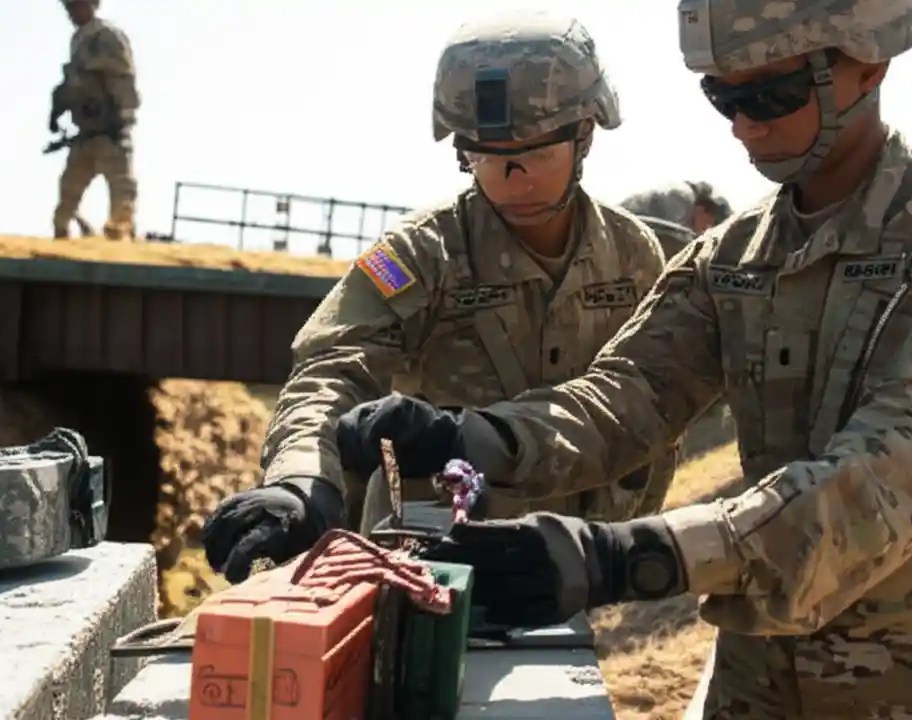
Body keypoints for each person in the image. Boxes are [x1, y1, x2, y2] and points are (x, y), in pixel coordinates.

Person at [335, 1, 912, 717]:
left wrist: (632, 556)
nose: (744, 127)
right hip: (765, 685)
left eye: (774, 93)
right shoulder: (732, 255)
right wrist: (471, 437)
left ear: (869, 62)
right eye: (723, 99)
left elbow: (909, 460)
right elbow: (627, 394)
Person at [201, 11, 674, 584]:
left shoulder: (632, 253)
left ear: (585, 136)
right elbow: (332, 367)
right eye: (488, 159)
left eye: (538, 156)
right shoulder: (420, 254)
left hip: (581, 562)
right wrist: (303, 481)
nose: (514, 181)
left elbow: (653, 394)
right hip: (431, 564)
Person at [49, 0, 139, 240]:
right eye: (68, 8)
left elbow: (124, 72)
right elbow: (74, 83)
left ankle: (119, 240)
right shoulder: (79, 40)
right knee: (68, 192)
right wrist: (58, 107)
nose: (71, 13)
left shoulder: (106, 35)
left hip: (109, 128)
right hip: (86, 132)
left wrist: (121, 115)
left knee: (122, 192)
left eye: (75, 6)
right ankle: (61, 239)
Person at [621, 180, 732, 258]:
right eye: (710, 223)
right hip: (622, 226)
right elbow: (672, 239)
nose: (706, 230)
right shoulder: (681, 199)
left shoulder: (684, 203)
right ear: (703, 209)